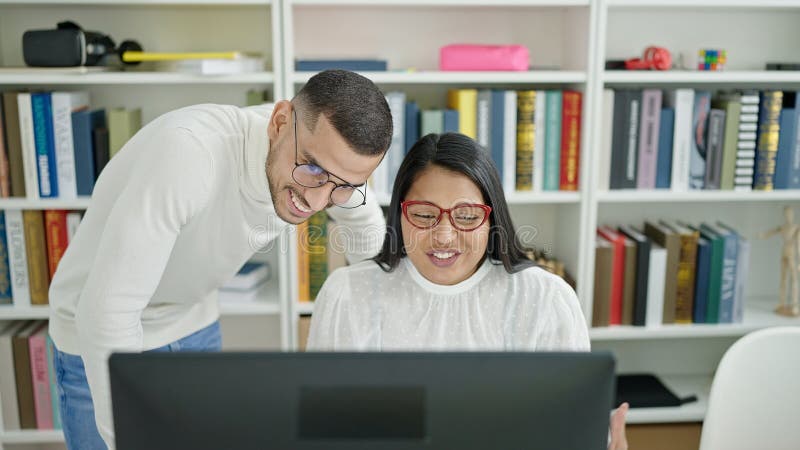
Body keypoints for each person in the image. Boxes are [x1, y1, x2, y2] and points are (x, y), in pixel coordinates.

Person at [48, 70, 392, 450]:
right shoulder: (190, 155)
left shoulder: (329, 158)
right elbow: (108, 313)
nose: (316, 202)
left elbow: (366, 231)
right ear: (279, 122)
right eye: (311, 169)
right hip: (96, 338)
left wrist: (379, 324)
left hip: (193, 327)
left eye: (342, 187)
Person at [307, 132, 629, 450]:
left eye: (466, 217)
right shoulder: (347, 294)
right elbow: (321, 428)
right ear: (400, 214)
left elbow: (570, 430)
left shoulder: (545, 299)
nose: (444, 237)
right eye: (424, 214)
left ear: (491, 218)